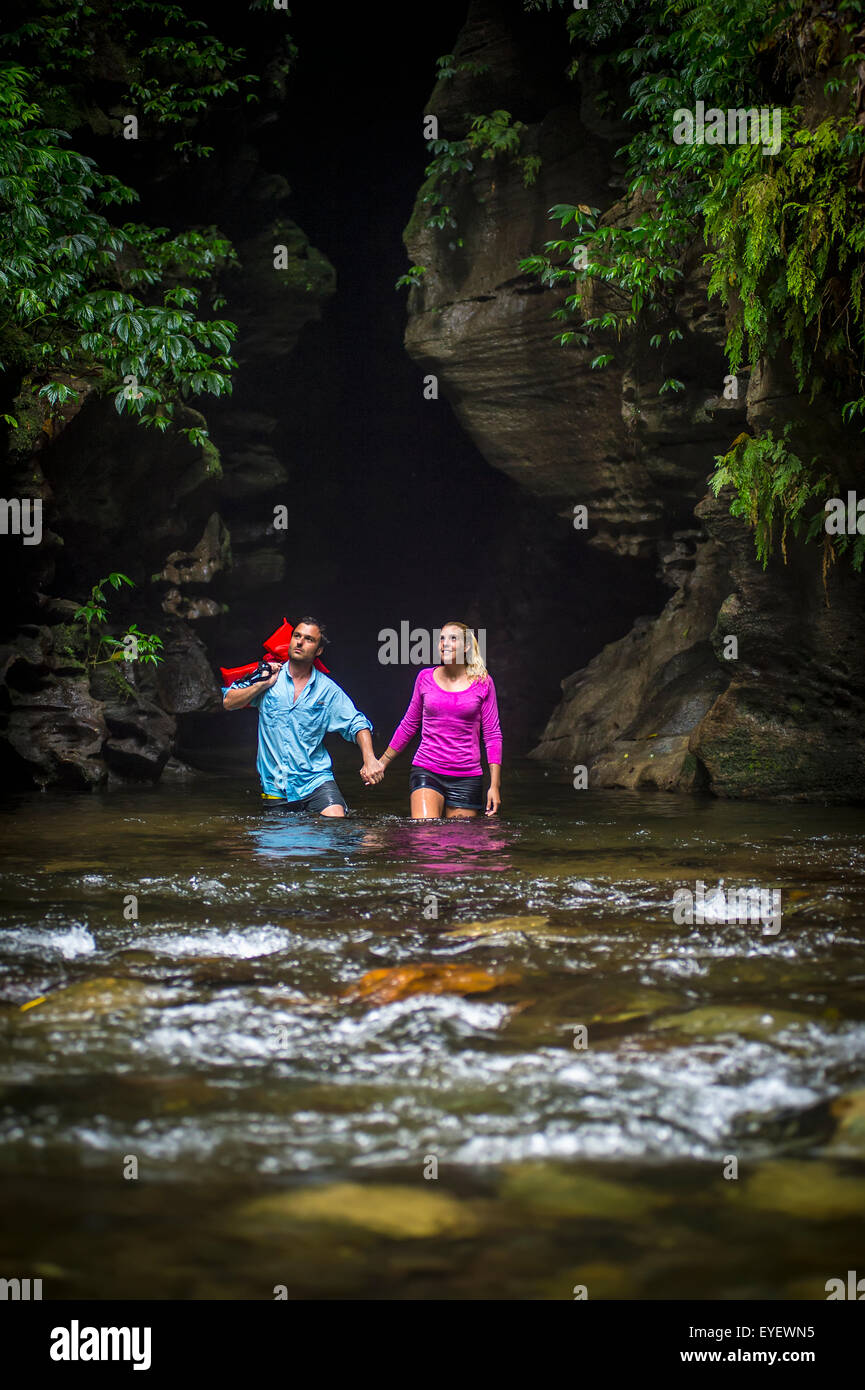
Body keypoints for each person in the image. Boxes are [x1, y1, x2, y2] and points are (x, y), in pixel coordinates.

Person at [222, 617, 384, 815]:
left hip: (316, 780)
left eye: (308, 639)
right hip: (276, 786)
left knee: (336, 822)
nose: (299, 642)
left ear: (319, 651)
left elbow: (356, 723)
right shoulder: (266, 678)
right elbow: (229, 701)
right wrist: (261, 685)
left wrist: (369, 759)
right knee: (283, 844)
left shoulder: (327, 690)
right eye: (296, 636)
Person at [378, 621, 502, 818]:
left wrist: (494, 785)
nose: (444, 643)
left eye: (453, 638)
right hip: (427, 769)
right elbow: (409, 724)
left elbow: (493, 735)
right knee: (425, 835)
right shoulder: (425, 678)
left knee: (458, 845)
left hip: (467, 776)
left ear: (466, 647)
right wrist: (382, 762)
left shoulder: (483, 682)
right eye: (441, 638)